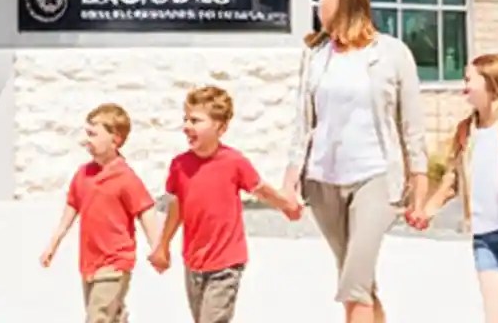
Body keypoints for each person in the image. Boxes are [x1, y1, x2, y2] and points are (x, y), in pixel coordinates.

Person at [281, 0, 430, 323]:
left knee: (355, 284)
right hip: (322, 181)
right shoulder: (315, 56)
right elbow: (303, 123)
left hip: (374, 177)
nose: (319, 2)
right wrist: (290, 181)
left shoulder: (391, 53)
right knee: (356, 277)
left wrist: (420, 188)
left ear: (348, 1)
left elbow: (412, 125)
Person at [414, 53, 498, 323]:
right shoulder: (466, 131)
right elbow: (452, 179)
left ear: (491, 84)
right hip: (484, 238)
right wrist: (428, 210)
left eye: (469, 80)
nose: (464, 86)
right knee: (494, 315)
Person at [149, 86, 302, 323]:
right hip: (193, 263)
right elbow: (176, 209)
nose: (187, 126)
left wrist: (286, 204)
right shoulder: (179, 165)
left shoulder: (234, 162)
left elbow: (261, 189)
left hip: (226, 263)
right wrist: (163, 245)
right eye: (186, 119)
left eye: (195, 120)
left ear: (220, 128)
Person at [40, 103, 161, 323]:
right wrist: (54, 242)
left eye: (93, 134)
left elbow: (145, 210)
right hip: (89, 262)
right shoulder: (83, 174)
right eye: (87, 133)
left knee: (98, 316)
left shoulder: (125, 177)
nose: (87, 140)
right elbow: (72, 206)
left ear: (115, 139)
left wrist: (157, 248)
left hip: (115, 263)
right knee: (111, 315)